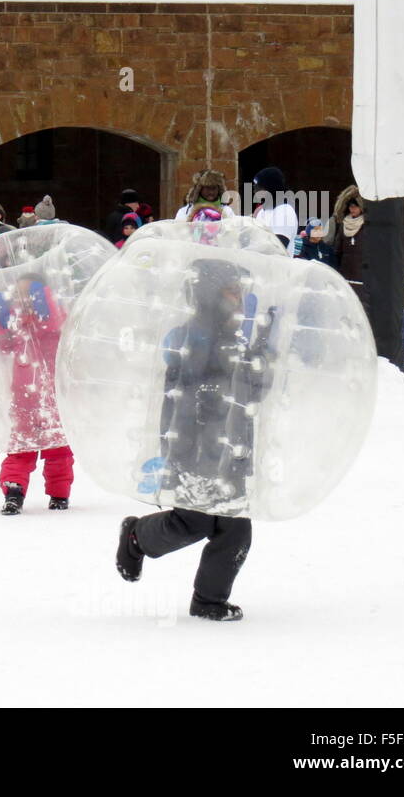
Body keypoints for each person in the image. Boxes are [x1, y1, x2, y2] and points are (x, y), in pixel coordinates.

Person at [115, 258, 274, 621]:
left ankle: (208, 600)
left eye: (240, 291)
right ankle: (137, 536)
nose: (239, 299)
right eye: (231, 291)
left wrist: (261, 358)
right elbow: (194, 389)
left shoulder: (234, 338)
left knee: (235, 525)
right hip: (195, 446)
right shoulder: (192, 335)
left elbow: (248, 393)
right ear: (209, 294)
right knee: (193, 521)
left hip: (230, 447)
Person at [0, 275, 73, 514]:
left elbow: (56, 325)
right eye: (18, 295)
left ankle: (59, 493)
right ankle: (14, 491)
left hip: (52, 397)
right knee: (21, 446)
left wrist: (43, 302)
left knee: (58, 446)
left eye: (30, 293)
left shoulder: (51, 318)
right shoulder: (17, 324)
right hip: (23, 396)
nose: (23, 299)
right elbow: (3, 344)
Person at [249, 166, 298, 249]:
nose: (254, 191)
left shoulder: (285, 211)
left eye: (257, 187)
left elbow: (278, 247)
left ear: (268, 188)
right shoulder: (262, 212)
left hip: (277, 261)